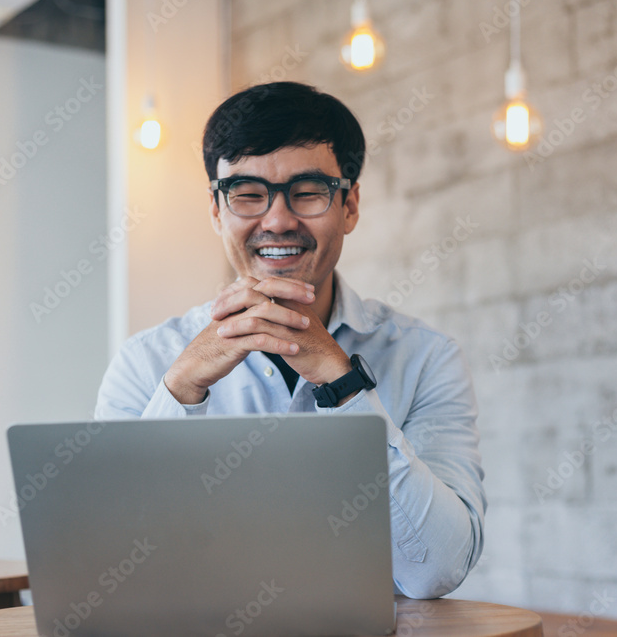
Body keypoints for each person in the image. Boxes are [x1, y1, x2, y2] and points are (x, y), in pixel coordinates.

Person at [95, 81, 485, 599]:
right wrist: (180, 391)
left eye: (307, 191)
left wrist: (343, 385)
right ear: (216, 210)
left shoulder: (426, 357)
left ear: (349, 206)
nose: (277, 221)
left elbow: (437, 569)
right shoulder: (146, 363)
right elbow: (110, 569)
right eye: (247, 194)